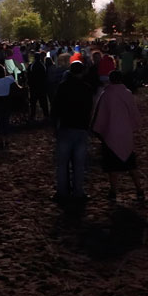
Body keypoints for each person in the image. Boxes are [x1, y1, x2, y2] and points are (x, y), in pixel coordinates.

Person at [90, 71, 145, 203]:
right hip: (125, 132)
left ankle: (113, 191)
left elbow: (100, 115)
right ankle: (139, 189)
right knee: (131, 165)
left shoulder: (106, 95)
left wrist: (97, 129)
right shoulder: (127, 94)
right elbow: (134, 113)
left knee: (112, 166)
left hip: (110, 132)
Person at [51, 60, 94, 202]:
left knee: (62, 164)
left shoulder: (63, 87)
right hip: (81, 128)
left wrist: (54, 125)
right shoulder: (87, 88)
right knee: (79, 164)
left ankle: (62, 191)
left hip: (65, 126)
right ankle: (78, 191)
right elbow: (89, 109)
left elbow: (56, 108)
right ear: (82, 72)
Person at [0, 65, 20, 149]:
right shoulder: (9, 79)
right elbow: (16, 85)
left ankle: (0, 140)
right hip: (6, 101)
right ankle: (7, 139)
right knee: (6, 121)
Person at [27, 55, 50, 121]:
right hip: (42, 86)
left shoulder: (31, 65)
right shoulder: (43, 65)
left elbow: (29, 75)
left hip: (33, 87)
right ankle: (46, 115)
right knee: (44, 102)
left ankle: (32, 115)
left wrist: (29, 84)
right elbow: (46, 75)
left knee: (33, 102)